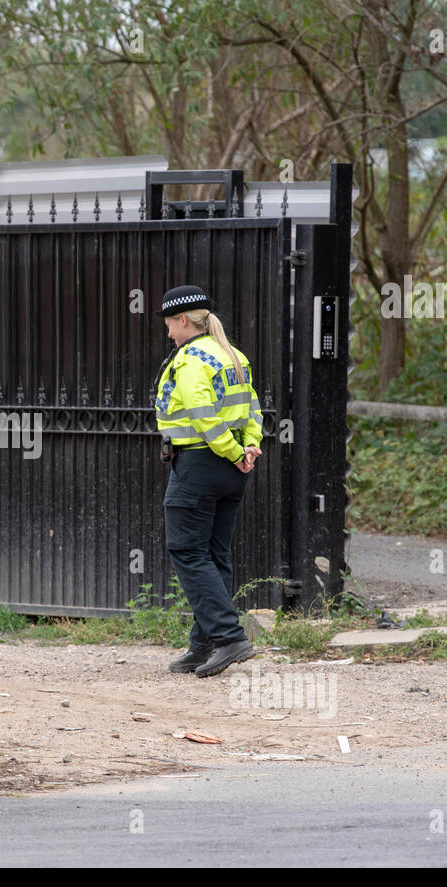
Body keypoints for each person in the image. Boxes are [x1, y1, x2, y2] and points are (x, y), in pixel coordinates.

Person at [153, 284, 264, 678]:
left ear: (183, 320)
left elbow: (204, 418)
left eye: (169, 325)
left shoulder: (190, 361)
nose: (168, 333)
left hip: (199, 465)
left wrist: (233, 452)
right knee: (215, 555)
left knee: (187, 551)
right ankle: (202, 646)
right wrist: (248, 449)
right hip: (232, 470)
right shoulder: (234, 355)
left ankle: (228, 638)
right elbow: (252, 410)